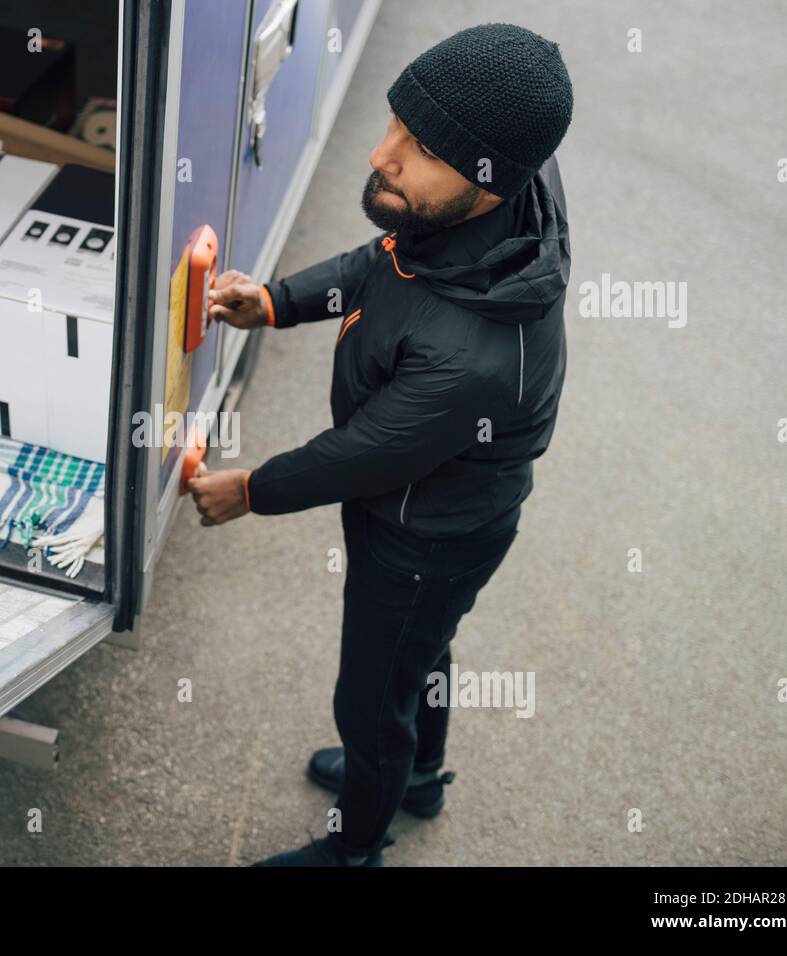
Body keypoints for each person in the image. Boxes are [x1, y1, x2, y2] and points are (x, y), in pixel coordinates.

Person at [187, 22, 574, 866]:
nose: (380, 152)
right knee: (419, 655)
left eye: (416, 146)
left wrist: (251, 490)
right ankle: (422, 776)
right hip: (437, 515)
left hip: (422, 536)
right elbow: (384, 258)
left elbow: (362, 453)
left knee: (370, 700)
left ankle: (355, 848)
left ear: (485, 184)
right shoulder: (486, 190)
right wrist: (279, 302)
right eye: (397, 120)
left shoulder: (470, 358)